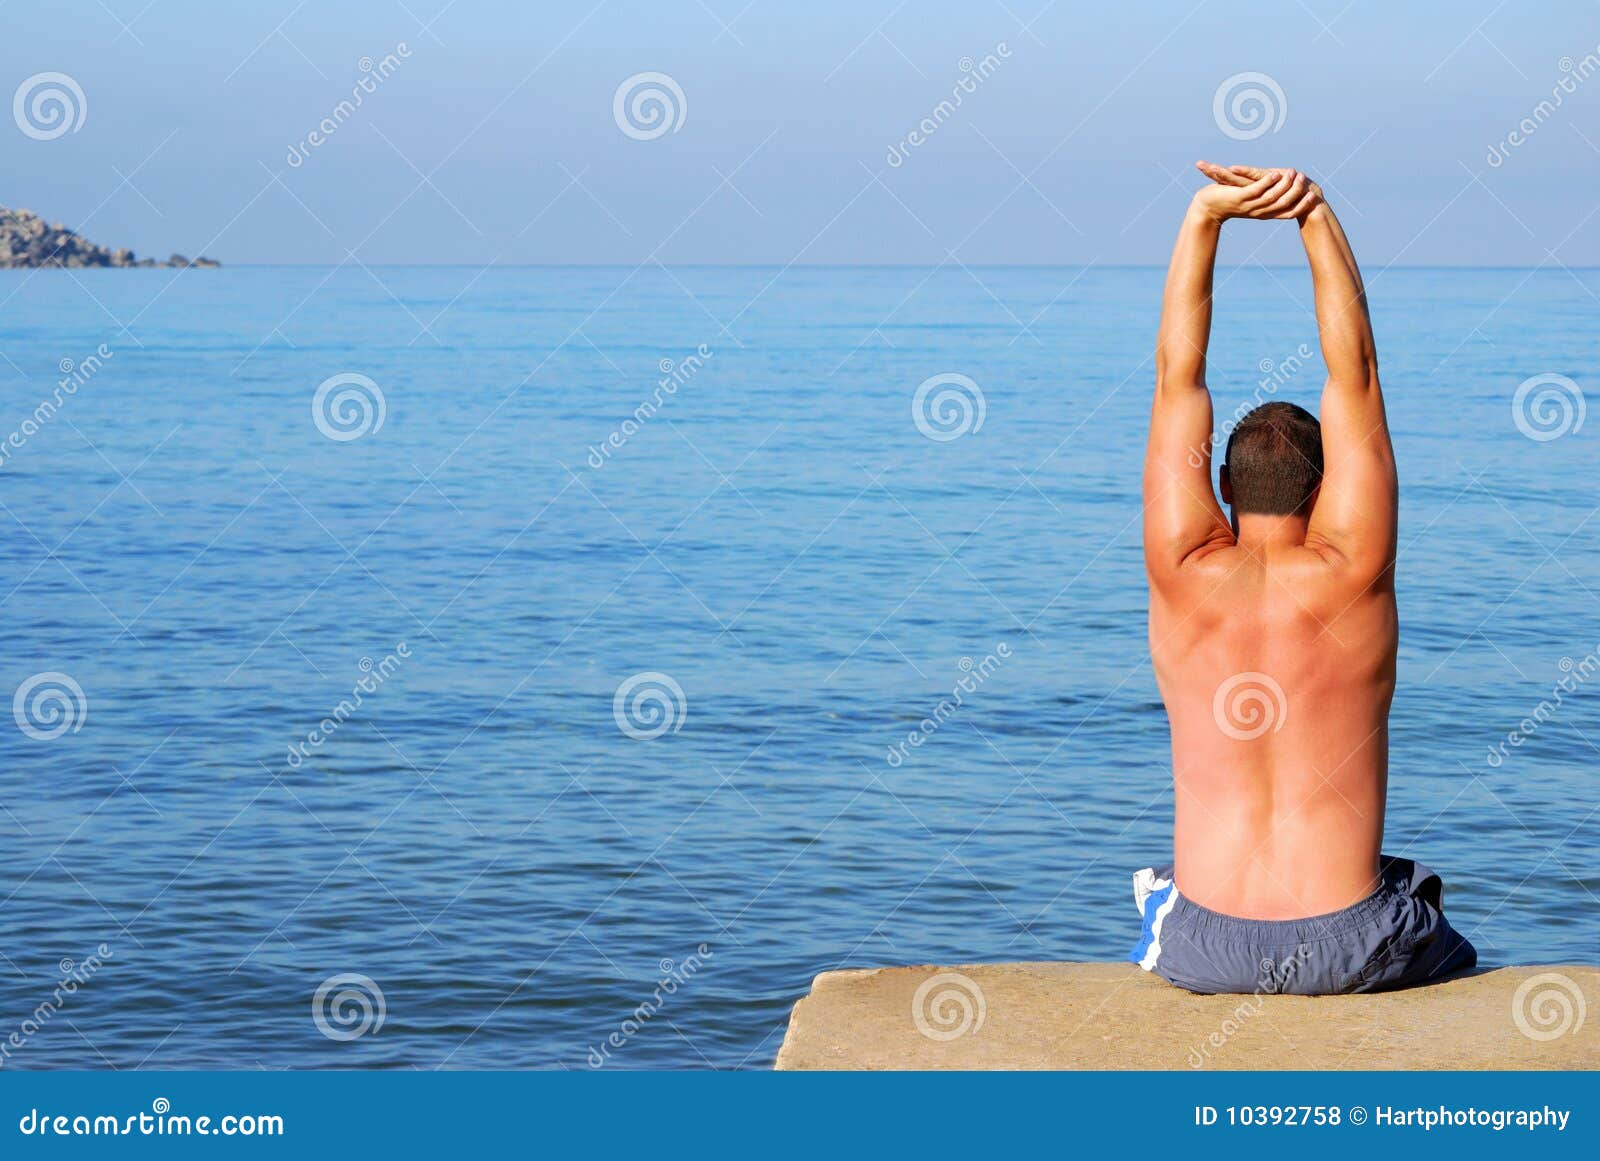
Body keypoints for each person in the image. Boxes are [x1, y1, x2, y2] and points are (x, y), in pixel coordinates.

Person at [1127, 162, 1477, 994]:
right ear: (1328, 495)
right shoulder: (1352, 571)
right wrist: (1312, 212)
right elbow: (1354, 371)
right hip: (1348, 945)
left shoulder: (1182, 569)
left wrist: (1203, 216)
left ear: (1220, 489)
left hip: (1203, 945)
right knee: (1417, 892)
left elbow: (1179, 376)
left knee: (1165, 895)